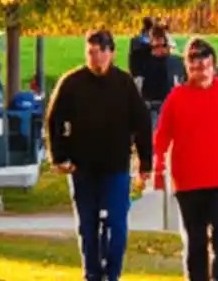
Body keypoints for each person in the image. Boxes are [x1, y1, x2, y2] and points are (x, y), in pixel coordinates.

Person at [46, 31, 153, 281]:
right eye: (92, 52)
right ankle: (92, 273)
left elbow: (141, 123)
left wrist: (145, 162)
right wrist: (60, 157)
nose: (97, 58)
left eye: (101, 52)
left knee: (116, 224)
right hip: (82, 167)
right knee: (88, 226)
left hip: (115, 166)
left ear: (111, 53)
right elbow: (55, 120)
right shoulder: (72, 83)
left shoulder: (124, 84)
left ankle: (112, 273)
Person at [154, 38, 218, 281]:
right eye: (194, 66)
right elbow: (162, 137)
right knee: (195, 242)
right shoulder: (177, 98)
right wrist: (157, 169)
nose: (200, 71)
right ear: (187, 68)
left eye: (204, 65)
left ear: (213, 66)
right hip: (189, 183)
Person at [130, 25, 186, 130]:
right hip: (150, 108)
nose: (160, 49)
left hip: (169, 106)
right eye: (156, 46)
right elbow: (136, 42)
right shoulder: (142, 62)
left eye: (163, 45)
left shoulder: (175, 62)